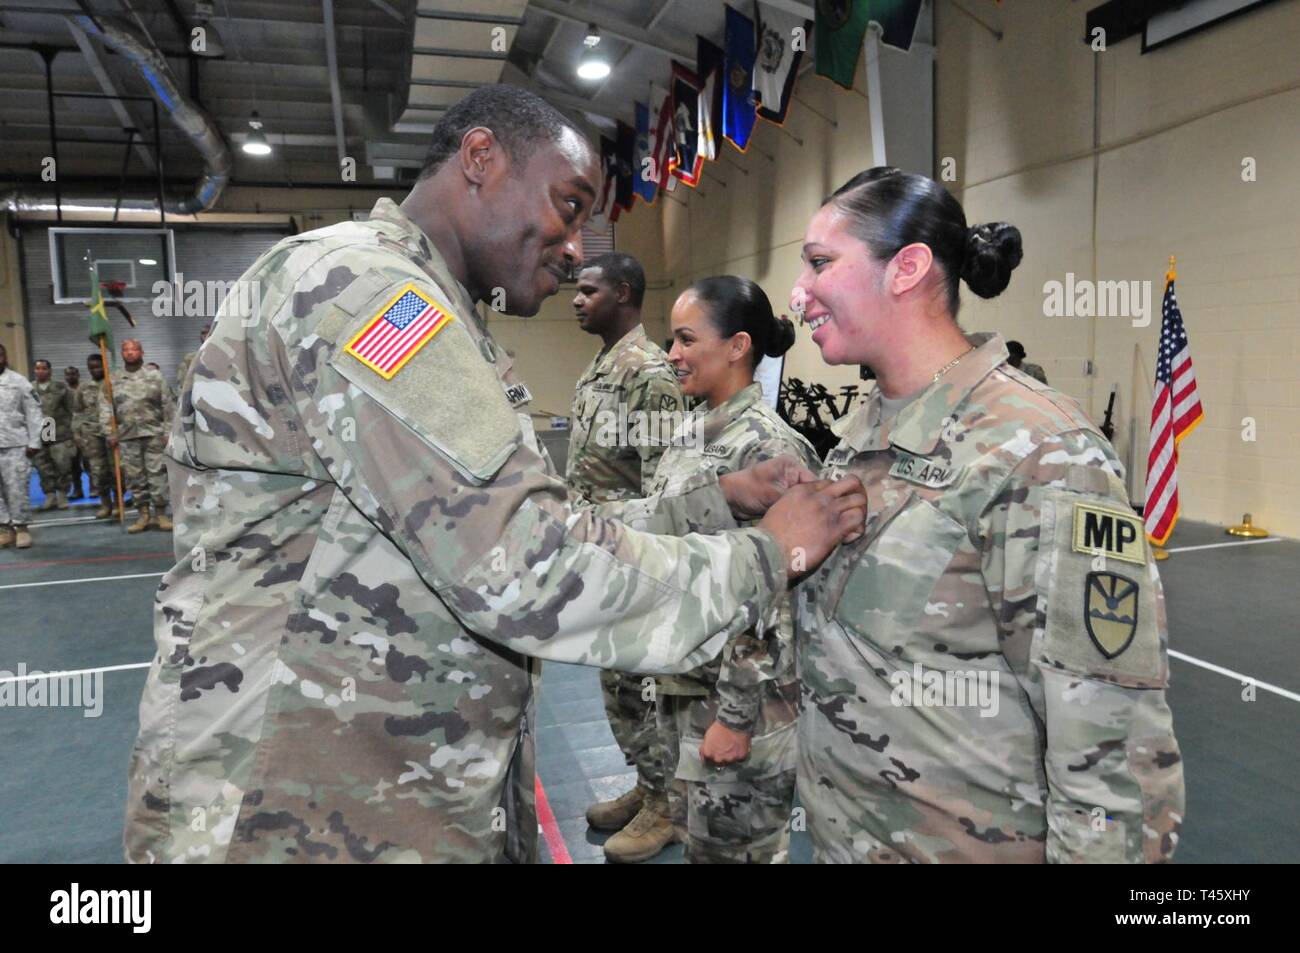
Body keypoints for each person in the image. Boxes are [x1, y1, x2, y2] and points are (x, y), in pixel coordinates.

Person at [122, 84, 867, 864]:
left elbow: (520, 518)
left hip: (358, 786)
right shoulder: (375, 297)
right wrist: (764, 553)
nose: (577, 245)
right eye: (568, 204)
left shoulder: (416, 301)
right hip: (294, 807)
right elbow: (528, 564)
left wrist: (714, 501)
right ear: (481, 159)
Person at [788, 167, 1183, 863]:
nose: (800, 294)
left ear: (906, 268)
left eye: (821, 264)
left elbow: (1112, 747)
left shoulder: (1043, 452)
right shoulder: (865, 431)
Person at [651, 276, 818, 863]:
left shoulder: (769, 450)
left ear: (737, 345)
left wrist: (736, 714)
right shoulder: (695, 431)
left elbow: (775, 588)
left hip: (737, 704)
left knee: (737, 853)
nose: (672, 355)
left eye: (685, 339)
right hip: (688, 688)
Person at [566, 251, 684, 861]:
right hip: (602, 556)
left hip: (635, 558)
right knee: (617, 684)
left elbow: (664, 488)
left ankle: (666, 804)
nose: (577, 299)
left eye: (589, 291)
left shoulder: (648, 374)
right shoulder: (602, 368)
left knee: (644, 686)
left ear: (626, 293)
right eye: (576, 290)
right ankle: (646, 783)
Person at [101, 339, 173, 533]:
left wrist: (168, 431)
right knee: (134, 477)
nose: (130, 353)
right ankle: (143, 515)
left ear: (142, 352)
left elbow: (167, 405)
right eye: (126, 349)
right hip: (126, 435)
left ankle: (161, 514)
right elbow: (106, 408)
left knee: (157, 473)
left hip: (153, 433)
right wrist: (110, 432)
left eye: (134, 349)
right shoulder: (113, 379)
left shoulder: (155, 376)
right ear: (122, 354)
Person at [0, 344, 42, 549]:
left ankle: (21, 528)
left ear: (5, 357)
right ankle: (4, 528)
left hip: (15, 444)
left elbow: (33, 412)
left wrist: (35, 441)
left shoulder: (18, 382)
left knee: (16, 488)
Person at [31, 359, 75, 511]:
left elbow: (71, 410)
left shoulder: (61, 387)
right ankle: (50, 495)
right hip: (38, 434)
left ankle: (62, 494)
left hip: (59, 433)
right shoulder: (29, 388)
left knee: (62, 465)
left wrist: (73, 432)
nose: (40, 371)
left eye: (44, 368)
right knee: (43, 466)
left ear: (49, 370)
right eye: (38, 368)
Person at [78, 353, 118, 518]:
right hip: (92, 434)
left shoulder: (113, 383)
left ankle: (118, 502)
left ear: (105, 365)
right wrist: (77, 434)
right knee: (97, 470)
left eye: (98, 366)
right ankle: (105, 503)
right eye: (91, 367)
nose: (95, 370)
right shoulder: (83, 388)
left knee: (116, 469)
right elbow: (77, 412)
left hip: (111, 432)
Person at [64, 365, 89, 501]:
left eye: (73, 374)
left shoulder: (85, 389)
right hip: (68, 432)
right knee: (73, 464)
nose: (71, 376)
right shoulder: (62, 391)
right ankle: (77, 490)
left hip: (85, 430)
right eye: (68, 374)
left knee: (89, 462)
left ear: (78, 375)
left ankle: (94, 488)